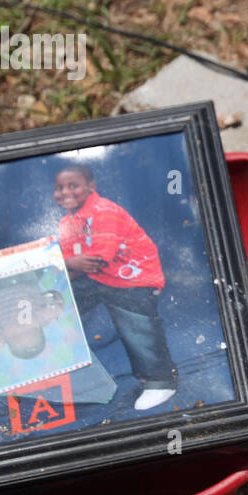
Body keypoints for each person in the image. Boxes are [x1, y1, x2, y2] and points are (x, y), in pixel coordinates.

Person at [54, 163, 177, 410]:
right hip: (100, 278)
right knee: (58, 301)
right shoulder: (66, 223)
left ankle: (160, 381)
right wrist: (65, 265)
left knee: (137, 325)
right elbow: (69, 266)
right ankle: (51, 369)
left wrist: (67, 263)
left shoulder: (103, 211)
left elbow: (97, 260)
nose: (65, 192)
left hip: (133, 278)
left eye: (73, 186)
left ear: (91, 187)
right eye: (59, 188)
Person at [0, 269, 65, 359]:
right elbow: (55, 297)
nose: (19, 327)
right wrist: (55, 310)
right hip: (24, 277)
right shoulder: (39, 315)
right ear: (39, 325)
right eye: (28, 330)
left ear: (5, 336)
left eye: (14, 335)